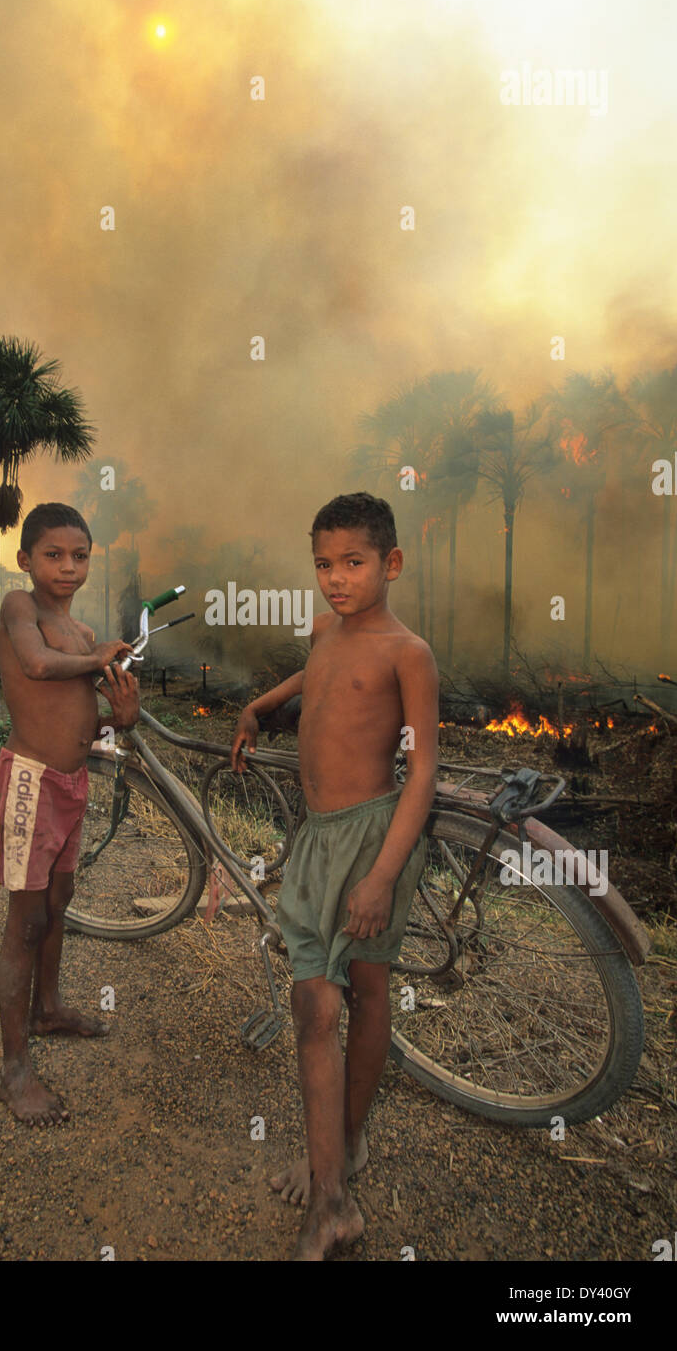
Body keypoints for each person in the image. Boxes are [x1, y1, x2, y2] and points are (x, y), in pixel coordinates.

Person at [230, 492, 438, 1260]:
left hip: (373, 836)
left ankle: (337, 1173)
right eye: (322, 564)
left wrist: (381, 876)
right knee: (317, 1003)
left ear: (390, 564)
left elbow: (421, 773)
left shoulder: (407, 653)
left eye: (352, 563)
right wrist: (259, 705)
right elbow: (312, 677)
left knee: (353, 995)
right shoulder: (325, 630)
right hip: (317, 838)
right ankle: (334, 1177)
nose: (335, 579)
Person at [0, 502, 140, 1126]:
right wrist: (102, 661)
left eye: (79, 556)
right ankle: (13, 1069)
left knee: (60, 901)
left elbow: (82, 715)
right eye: (53, 555)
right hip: (31, 784)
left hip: (72, 784)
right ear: (26, 560)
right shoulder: (21, 610)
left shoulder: (81, 633)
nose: (67, 567)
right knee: (25, 921)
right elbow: (36, 666)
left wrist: (117, 718)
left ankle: (47, 1009)